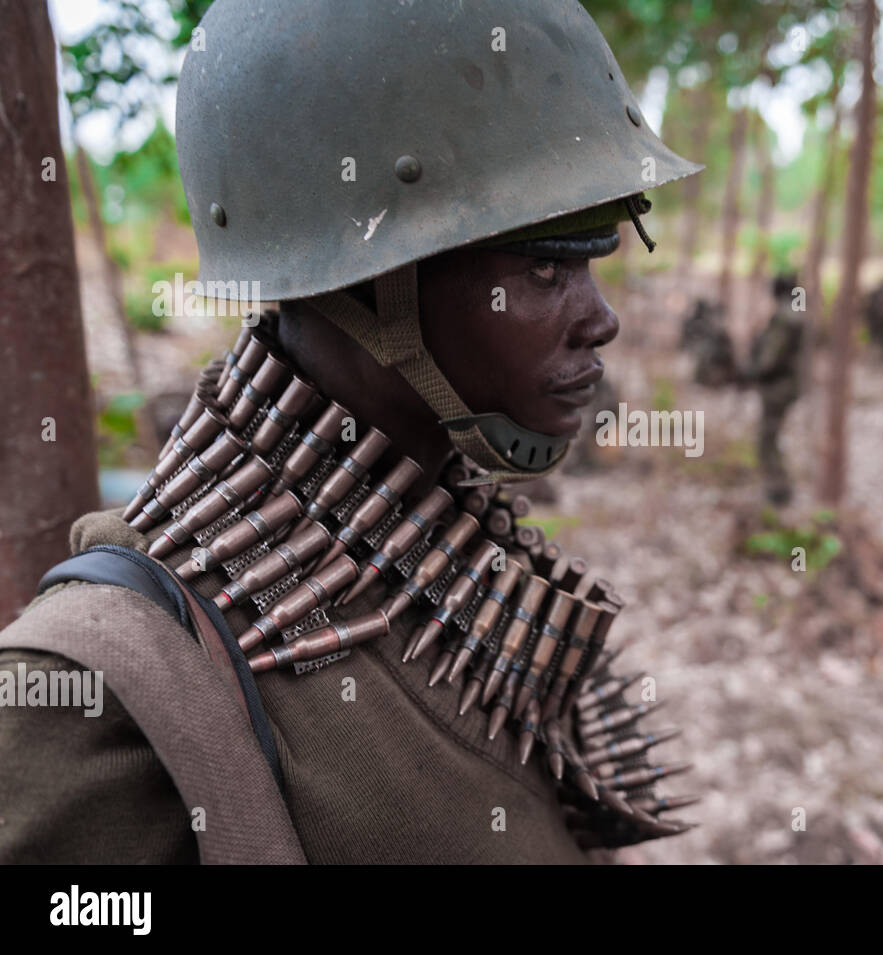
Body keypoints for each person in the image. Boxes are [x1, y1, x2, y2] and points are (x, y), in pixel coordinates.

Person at [0, 0, 701, 864]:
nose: (602, 320)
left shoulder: (448, 557)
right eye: (547, 267)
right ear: (371, 282)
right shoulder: (94, 699)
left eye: (597, 260)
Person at [747, 274, 806, 506]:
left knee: (768, 438)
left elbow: (771, 358)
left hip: (779, 387)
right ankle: (777, 487)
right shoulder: (795, 314)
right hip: (786, 385)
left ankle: (779, 488)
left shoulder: (786, 318)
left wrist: (754, 370)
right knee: (771, 435)